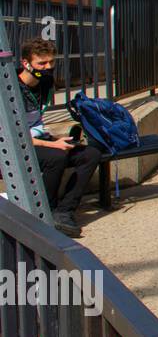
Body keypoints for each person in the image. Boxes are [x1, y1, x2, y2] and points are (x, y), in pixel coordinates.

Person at [17, 37, 103, 236]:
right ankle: (45, 210)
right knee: (57, 156)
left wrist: (57, 139)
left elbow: (37, 123)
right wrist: (54, 145)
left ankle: (64, 211)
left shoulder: (45, 83)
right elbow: (12, 137)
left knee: (90, 154)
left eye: (51, 62)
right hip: (15, 147)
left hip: (40, 140)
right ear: (25, 63)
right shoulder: (10, 88)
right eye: (42, 63)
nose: (48, 67)